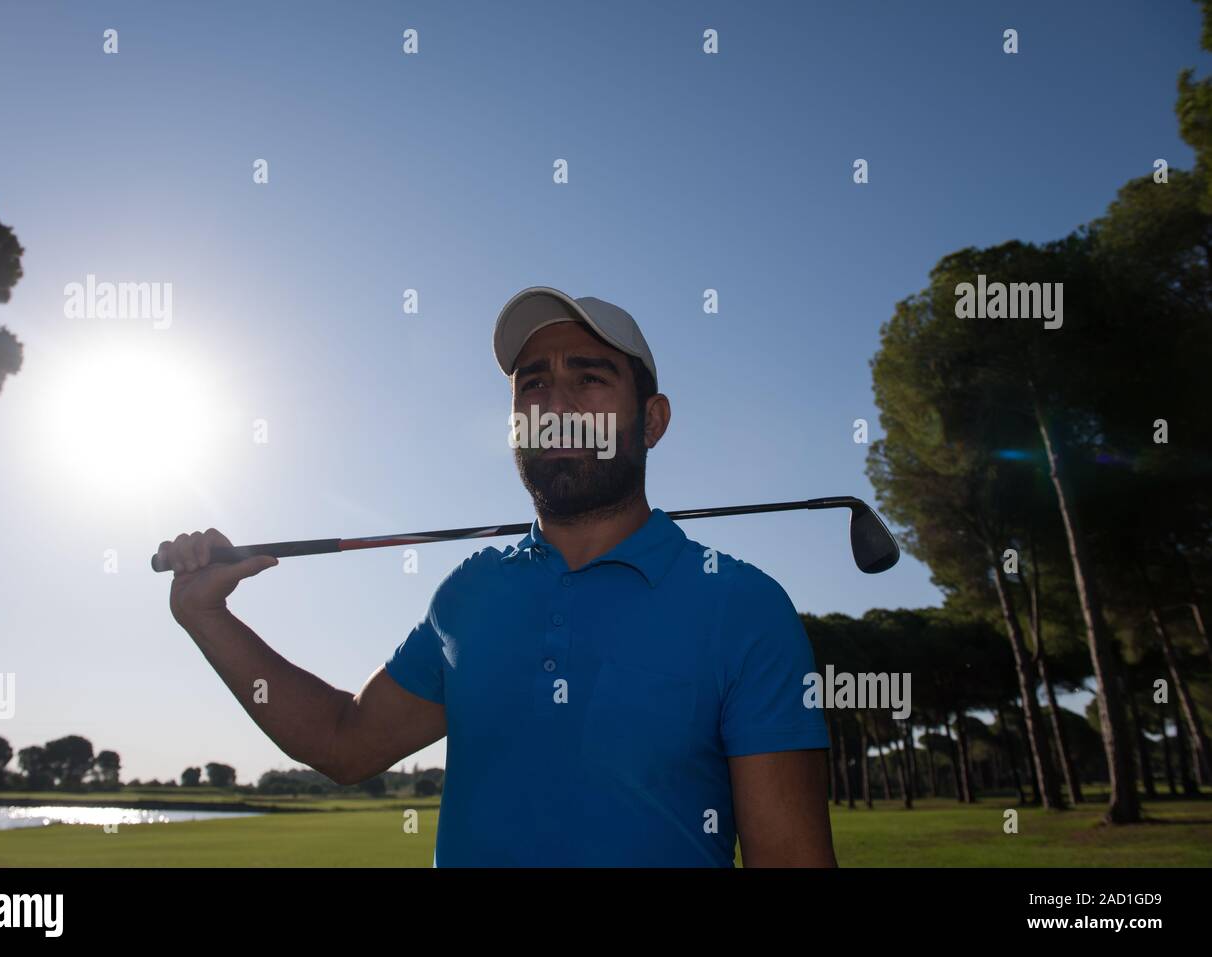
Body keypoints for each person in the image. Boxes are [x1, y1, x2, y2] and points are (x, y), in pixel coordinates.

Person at [158, 285, 836, 867]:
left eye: (590, 377)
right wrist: (207, 617)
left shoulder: (742, 606)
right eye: (533, 382)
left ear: (651, 419)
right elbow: (344, 740)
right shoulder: (469, 595)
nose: (556, 404)